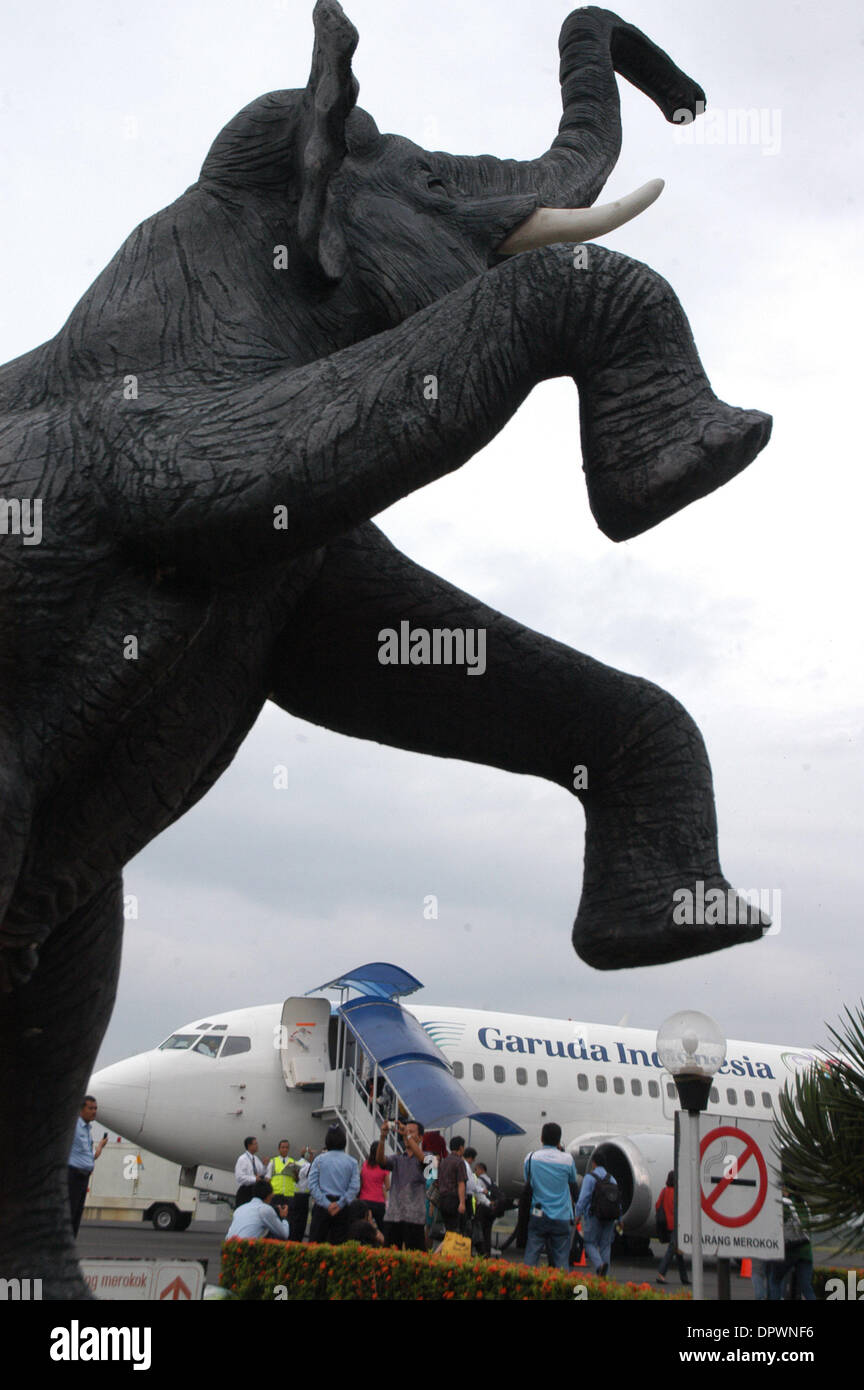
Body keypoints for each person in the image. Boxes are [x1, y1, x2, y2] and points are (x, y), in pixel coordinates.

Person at [523, 1122, 579, 1270]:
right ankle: (561, 1289)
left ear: (541, 1138)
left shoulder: (531, 1158)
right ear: (559, 1141)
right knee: (561, 1259)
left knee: (531, 1254)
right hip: (562, 1216)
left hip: (538, 1213)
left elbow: (528, 1181)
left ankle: (525, 1287)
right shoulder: (568, 1160)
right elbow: (572, 1182)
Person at [376, 1118, 427, 1251]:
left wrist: (407, 1135)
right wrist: (382, 1137)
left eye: (411, 1132)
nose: (405, 1134)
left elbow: (425, 1162)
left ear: (420, 1137)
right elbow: (380, 1161)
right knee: (389, 1257)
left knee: (416, 1259)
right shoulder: (398, 1158)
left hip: (414, 1217)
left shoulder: (429, 1156)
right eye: (404, 1131)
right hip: (394, 1215)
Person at [308, 1125, 360, 1245]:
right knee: (340, 1246)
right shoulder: (352, 1162)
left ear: (327, 1141)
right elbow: (354, 1187)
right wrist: (340, 1203)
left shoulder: (319, 1160)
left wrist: (326, 1204)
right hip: (342, 1208)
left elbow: (312, 1185)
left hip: (322, 1206)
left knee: (315, 1245)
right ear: (344, 1141)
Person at [67, 1095, 108, 1236]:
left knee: (77, 1215)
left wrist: (100, 1148)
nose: (94, 1111)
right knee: (70, 1213)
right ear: (81, 1109)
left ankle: (71, 1241)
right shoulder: (74, 1127)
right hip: (73, 1175)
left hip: (83, 1177)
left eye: (95, 1108)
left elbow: (88, 1156)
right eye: (90, 1108)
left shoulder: (87, 1129)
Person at [575, 1154, 619, 1277]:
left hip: (593, 1215)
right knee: (605, 1245)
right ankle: (604, 1276)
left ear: (594, 1163)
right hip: (610, 1216)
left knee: (589, 1243)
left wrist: (577, 1214)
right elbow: (617, 1201)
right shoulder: (612, 1179)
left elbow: (583, 1198)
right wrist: (619, 1218)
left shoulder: (590, 1178)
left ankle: (599, 1266)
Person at [225, 1178, 291, 1240]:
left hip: (228, 1246)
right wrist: (283, 1218)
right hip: (245, 1247)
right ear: (269, 1196)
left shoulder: (240, 1208)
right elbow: (284, 1234)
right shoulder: (265, 1209)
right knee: (274, 1235)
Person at [654, 1170, 689, 1285]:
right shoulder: (678, 1193)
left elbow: (657, 1205)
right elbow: (681, 1210)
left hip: (666, 1225)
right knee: (671, 1251)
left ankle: (684, 1278)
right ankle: (661, 1273)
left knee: (678, 1252)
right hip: (676, 1225)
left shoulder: (664, 1191)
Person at [437, 1135, 468, 1236]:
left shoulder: (443, 1162)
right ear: (461, 1147)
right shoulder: (459, 1162)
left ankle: (444, 1250)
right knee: (455, 1231)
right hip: (453, 1200)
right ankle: (449, 1251)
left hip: (442, 1199)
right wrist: (462, 1203)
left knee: (448, 1230)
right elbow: (461, 1183)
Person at [266, 1139, 298, 1222]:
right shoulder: (273, 1161)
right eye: (283, 1147)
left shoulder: (293, 1162)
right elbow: (268, 1179)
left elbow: (297, 1180)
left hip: (289, 1196)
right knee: (274, 1219)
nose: (285, 1149)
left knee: (288, 1220)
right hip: (276, 1195)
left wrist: (296, 1174)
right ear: (279, 1149)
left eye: (287, 1148)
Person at [359, 1141, 388, 1233]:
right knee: (383, 1228)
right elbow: (388, 1186)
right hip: (378, 1202)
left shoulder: (364, 1165)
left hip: (364, 1201)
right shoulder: (384, 1166)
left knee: (364, 1229)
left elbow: (360, 1180)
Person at [290, 1147, 314, 1242]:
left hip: (294, 1195)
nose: (312, 1157)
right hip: (303, 1196)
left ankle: (292, 1240)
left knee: (294, 1221)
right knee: (301, 1222)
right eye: (311, 1155)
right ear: (308, 1155)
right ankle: (298, 1241)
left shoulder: (295, 1163)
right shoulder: (308, 1165)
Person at [234, 1136, 266, 1207]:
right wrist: (254, 1179)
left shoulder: (256, 1159)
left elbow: (261, 1173)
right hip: (245, 1191)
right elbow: (239, 1177)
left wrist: (264, 1166)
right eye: (255, 1144)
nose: (257, 1146)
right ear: (249, 1145)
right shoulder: (242, 1159)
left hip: (254, 1191)